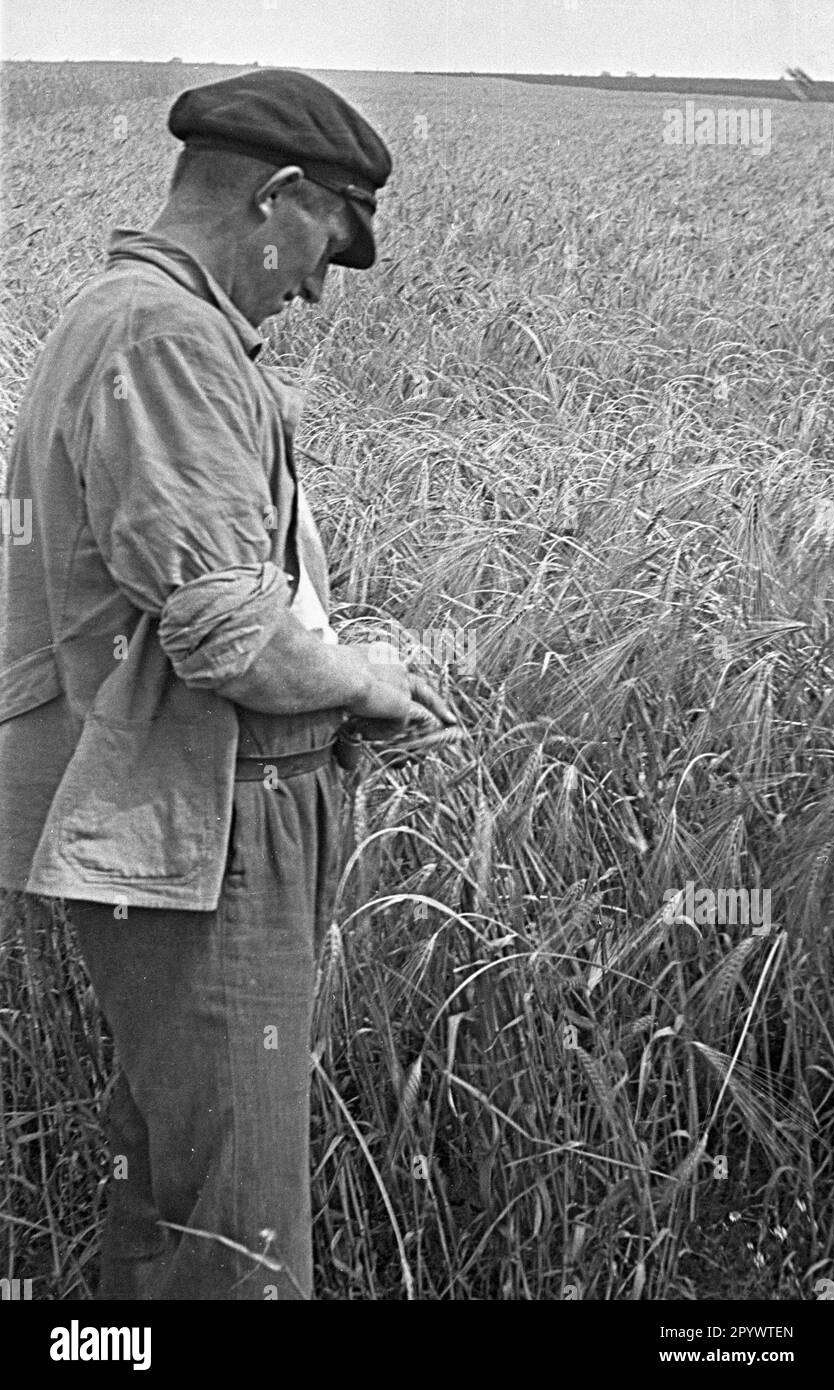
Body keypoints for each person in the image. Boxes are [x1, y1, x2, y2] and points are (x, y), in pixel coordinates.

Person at [0, 68, 454, 1300]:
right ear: (278, 196)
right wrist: (366, 679)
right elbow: (231, 639)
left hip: (178, 817)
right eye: (326, 243)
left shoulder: (135, 317)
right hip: (204, 825)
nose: (317, 283)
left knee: (172, 1192)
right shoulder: (167, 336)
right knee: (244, 1235)